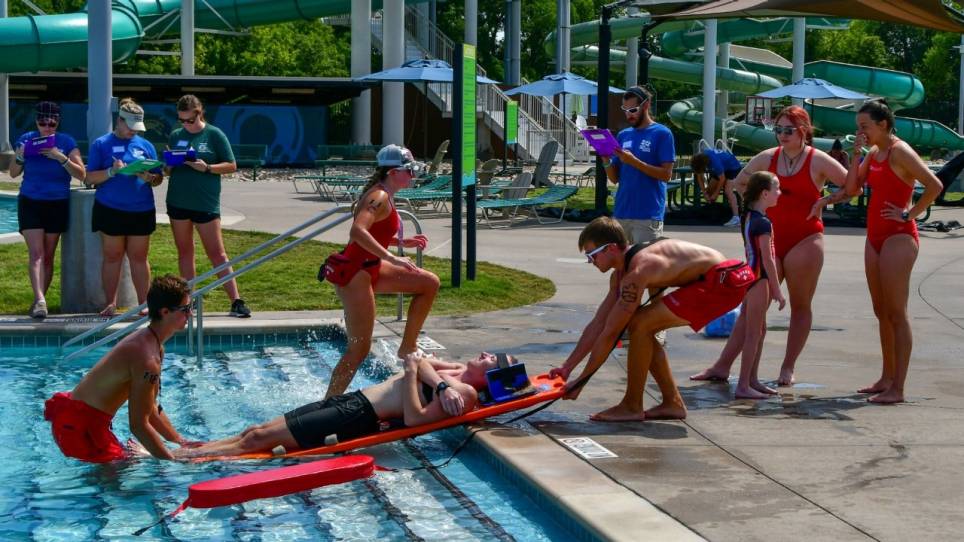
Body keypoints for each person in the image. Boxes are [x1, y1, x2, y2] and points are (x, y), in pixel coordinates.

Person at [691, 105, 848, 386]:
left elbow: (852, 186)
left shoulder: (817, 160)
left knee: (800, 305)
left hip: (806, 238)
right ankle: (722, 365)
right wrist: (755, 210)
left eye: (789, 130)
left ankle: (788, 367)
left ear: (803, 131)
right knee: (753, 306)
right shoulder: (768, 157)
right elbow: (739, 182)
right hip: (770, 239)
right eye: (778, 130)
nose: (782, 135)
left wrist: (826, 200)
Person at [549, 217, 755, 421]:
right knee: (642, 326)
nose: (591, 262)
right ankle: (671, 403)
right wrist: (568, 368)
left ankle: (632, 405)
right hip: (715, 279)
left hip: (723, 281)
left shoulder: (638, 270)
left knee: (640, 324)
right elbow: (598, 324)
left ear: (610, 248)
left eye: (592, 256)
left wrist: (581, 381)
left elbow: (611, 333)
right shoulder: (622, 273)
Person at [812, 99, 942, 404]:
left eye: (864, 126)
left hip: (899, 237)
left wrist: (910, 214)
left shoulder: (900, 151)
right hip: (875, 238)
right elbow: (854, 188)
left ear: (883, 124)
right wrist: (854, 156)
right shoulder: (873, 152)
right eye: (858, 127)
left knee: (897, 312)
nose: (860, 132)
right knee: (881, 311)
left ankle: (899, 387)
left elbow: (934, 185)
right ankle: (886, 378)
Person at [175, 351, 516, 458]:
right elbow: (419, 360)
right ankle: (195, 449)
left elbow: (415, 419)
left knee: (257, 440)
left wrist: (413, 373)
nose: (485, 354)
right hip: (353, 400)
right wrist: (435, 379)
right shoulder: (455, 377)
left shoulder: (467, 395)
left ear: (492, 379)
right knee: (256, 430)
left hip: (359, 416)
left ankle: (184, 457)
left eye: (492, 360)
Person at [320, 144, 440, 398]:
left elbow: (374, 233)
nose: (413, 175)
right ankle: (327, 405)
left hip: (370, 267)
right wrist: (391, 257)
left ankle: (407, 347)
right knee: (359, 349)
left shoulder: (386, 193)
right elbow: (357, 232)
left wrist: (400, 243)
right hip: (356, 275)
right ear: (394, 171)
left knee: (429, 283)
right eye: (409, 170)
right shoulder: (379, 196)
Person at [43, 275, 198, 462]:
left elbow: (150, 406)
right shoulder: (146, 357)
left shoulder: (154, 346)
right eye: (186, 309)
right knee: (124, 478)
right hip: (79, 427)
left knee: (131, 464)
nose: (190, 313)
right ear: (165, 312)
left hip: (81, 419)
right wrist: (172, 461)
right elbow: (138, 425)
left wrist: (180, 442)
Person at [165, 95, 250, 318]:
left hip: (205, 203)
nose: (185, 125)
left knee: (217, 253)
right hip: (178, 201)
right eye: (181, 120)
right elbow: (168, 169)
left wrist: (208, 167)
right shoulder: (176, 136)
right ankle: (188, 302)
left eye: (189, 120)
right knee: (185, 252)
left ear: (199, 113)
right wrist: (168, 165)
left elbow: (232, 165)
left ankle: (236, 301)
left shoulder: (214, 134)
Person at [85, 98, 164, 317]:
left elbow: (158, 179)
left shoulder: (146, 146)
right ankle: (110, 303)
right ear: (119, 120)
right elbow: (90, 177)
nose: (133, 132)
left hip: (141, 208)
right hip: (110, 208)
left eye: (136, 128)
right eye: (129, 126)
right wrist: (112, 172)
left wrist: (149, 177)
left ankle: (143, 303)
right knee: (112, 256)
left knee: (139, 258)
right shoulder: (101, 144)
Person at [8, 101, 86, 318]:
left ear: (57, 122)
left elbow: (81, 174)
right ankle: (41, 299)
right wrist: (21, 156)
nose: (47, 127)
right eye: (42, 123)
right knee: (36, 253)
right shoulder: (25, 139)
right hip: (31, 200)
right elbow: (13, 172)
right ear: (36, 121)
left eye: (51, 124)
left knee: (49, 255)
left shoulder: (66, 142)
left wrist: (60, 157)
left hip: (57, 202)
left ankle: (38, 299)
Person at [733, 172, 786, 399]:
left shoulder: (750, 216)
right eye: (777, 189)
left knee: (760, 331)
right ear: (765, 194)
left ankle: (752, 379)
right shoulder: (762, 222)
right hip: (758, 280)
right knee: (754, 334)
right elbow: (768, 259)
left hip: (753, 279)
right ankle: (743, 384)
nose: (779, 193)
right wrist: (777, 290)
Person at [604, 86, 676, 245]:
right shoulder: (624, 134)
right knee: (620, 266)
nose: (629, 114)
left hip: (647, 216)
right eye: (625, 110)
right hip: (621, 213)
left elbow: (666, 175)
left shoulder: (662, 133)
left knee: (645, 266)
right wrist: (605, 159)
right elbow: (614, 178)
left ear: (646, 105)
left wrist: (634, 161)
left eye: (633, 109)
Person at [690, 147, 743, 226]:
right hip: (723, 167)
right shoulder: (700, 159)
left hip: (733, 168)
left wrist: (715, 194)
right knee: (709, 190)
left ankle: (736, 218)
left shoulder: (715, 162)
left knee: (728, 191)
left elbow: (722, 178)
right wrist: (705, 193)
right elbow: (699, 176)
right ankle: (712, 213)